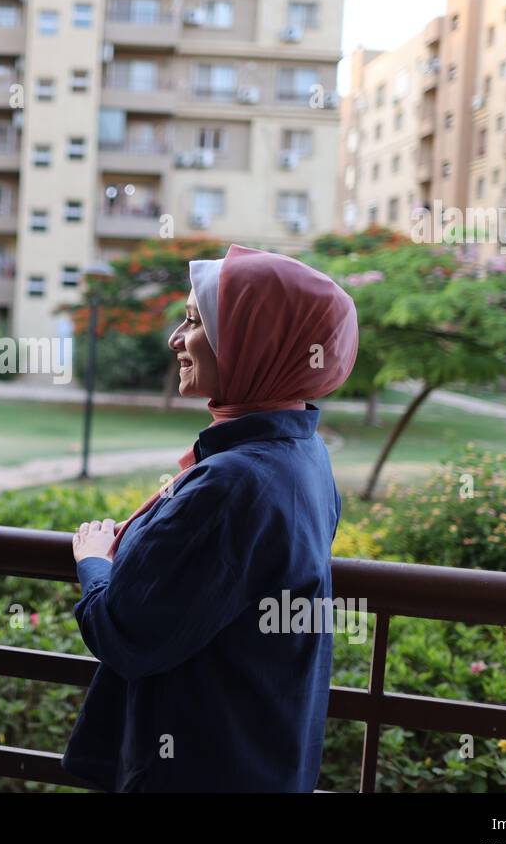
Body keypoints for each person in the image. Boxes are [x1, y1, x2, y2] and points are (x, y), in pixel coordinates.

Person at [63, 243, 359, 792]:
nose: (176, 338)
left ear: (257, 343)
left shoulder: (232, 482)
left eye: (194, 322)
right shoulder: (305, 454)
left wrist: (95, 562)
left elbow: (126, 631)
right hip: (263, 755)